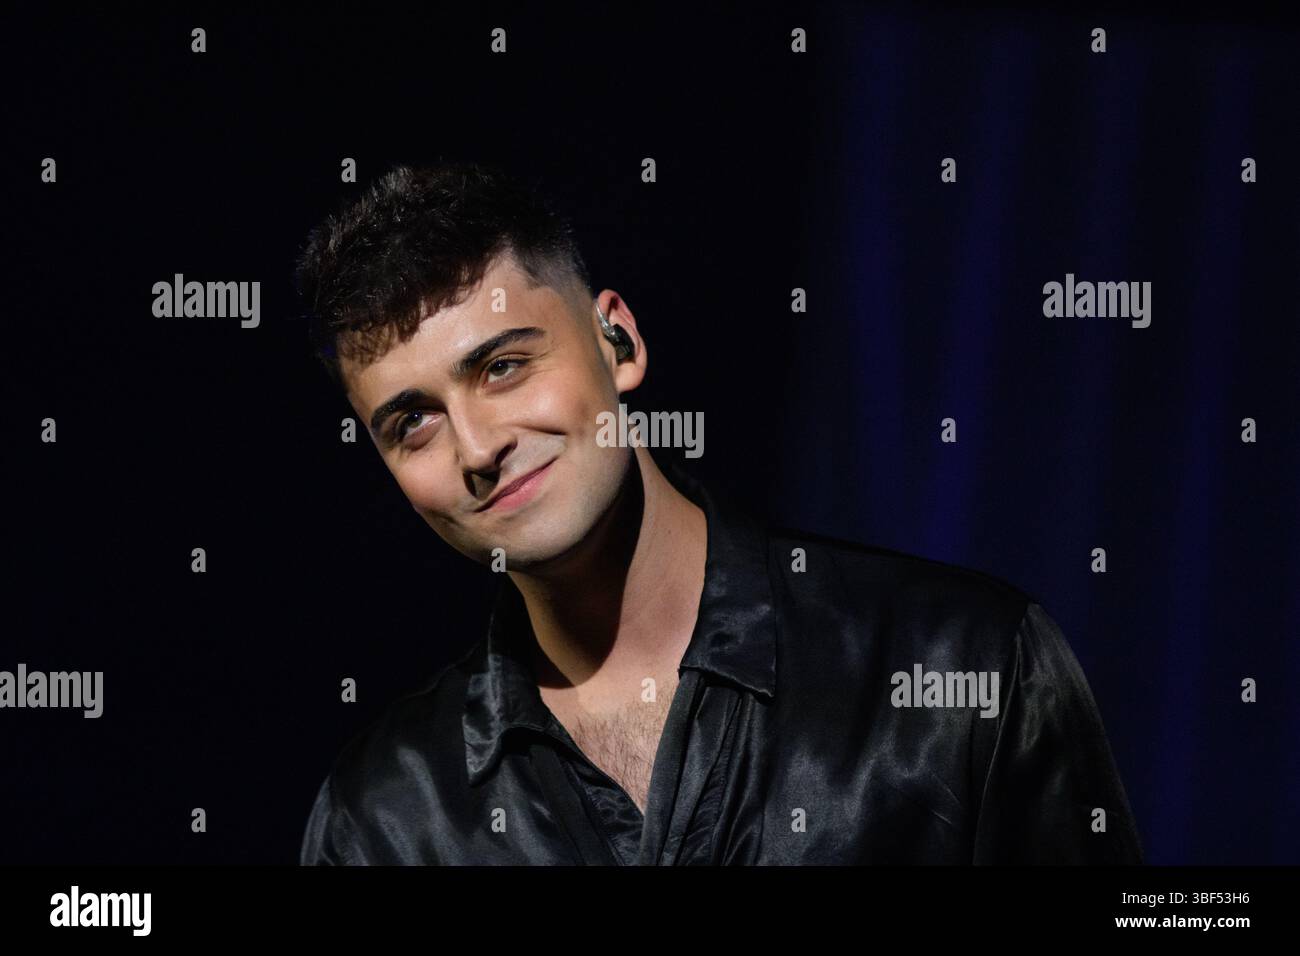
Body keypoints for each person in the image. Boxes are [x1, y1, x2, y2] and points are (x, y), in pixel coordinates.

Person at [293, 161, 1143, 864]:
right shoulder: (385, 819)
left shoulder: (964, 670)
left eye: (504, 367)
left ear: (616, 344)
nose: (477, 447)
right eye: (414, 422)